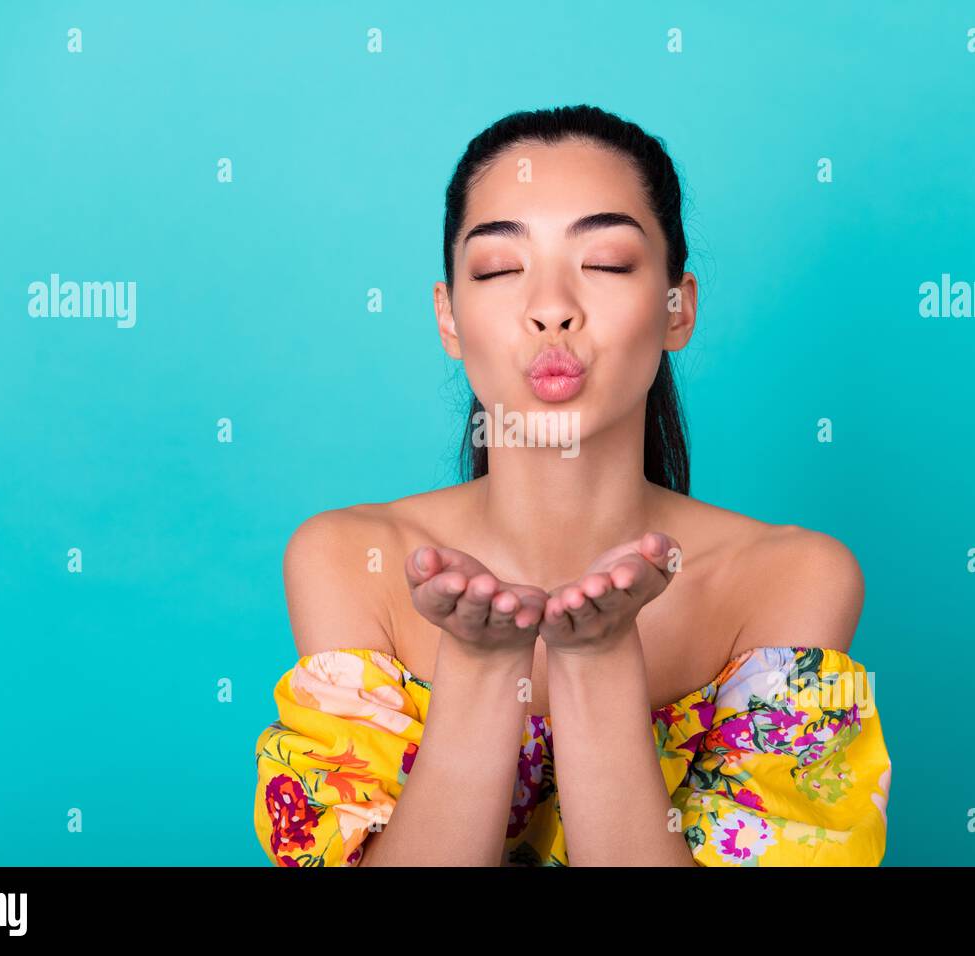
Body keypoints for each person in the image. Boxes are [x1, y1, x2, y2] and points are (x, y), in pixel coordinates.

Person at [255, 104, 891, 867]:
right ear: (448, 317)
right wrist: (484, 668)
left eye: (606, 263)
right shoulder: (347, 557)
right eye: (498, 269)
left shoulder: (792, 578)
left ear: (677, 307)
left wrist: (599, 661)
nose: (551, 308)